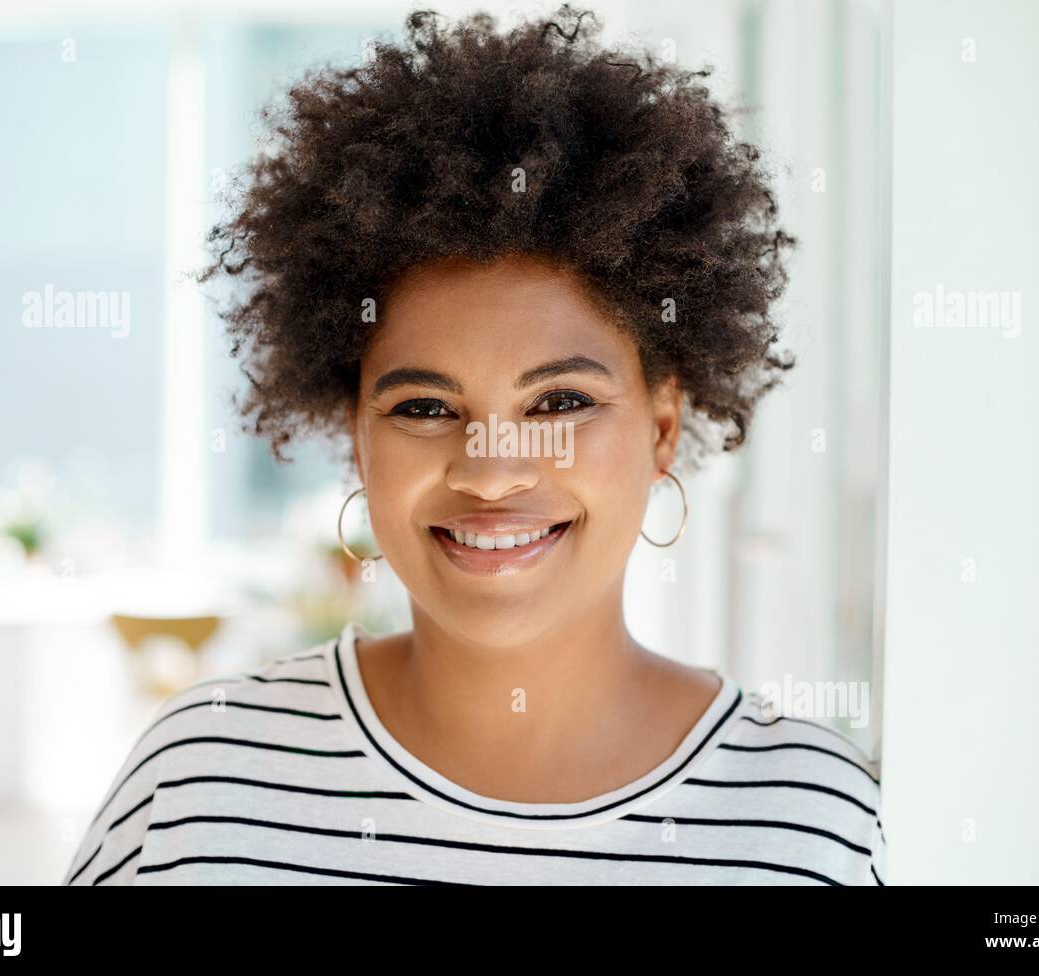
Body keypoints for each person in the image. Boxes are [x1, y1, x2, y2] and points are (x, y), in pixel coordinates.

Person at [63, 4, 885, 886]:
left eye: (561, 400)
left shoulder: (811, 822)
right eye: (422, 407)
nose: (490, 470)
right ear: (356, 438)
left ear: (661, 427)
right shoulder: (202, 778)